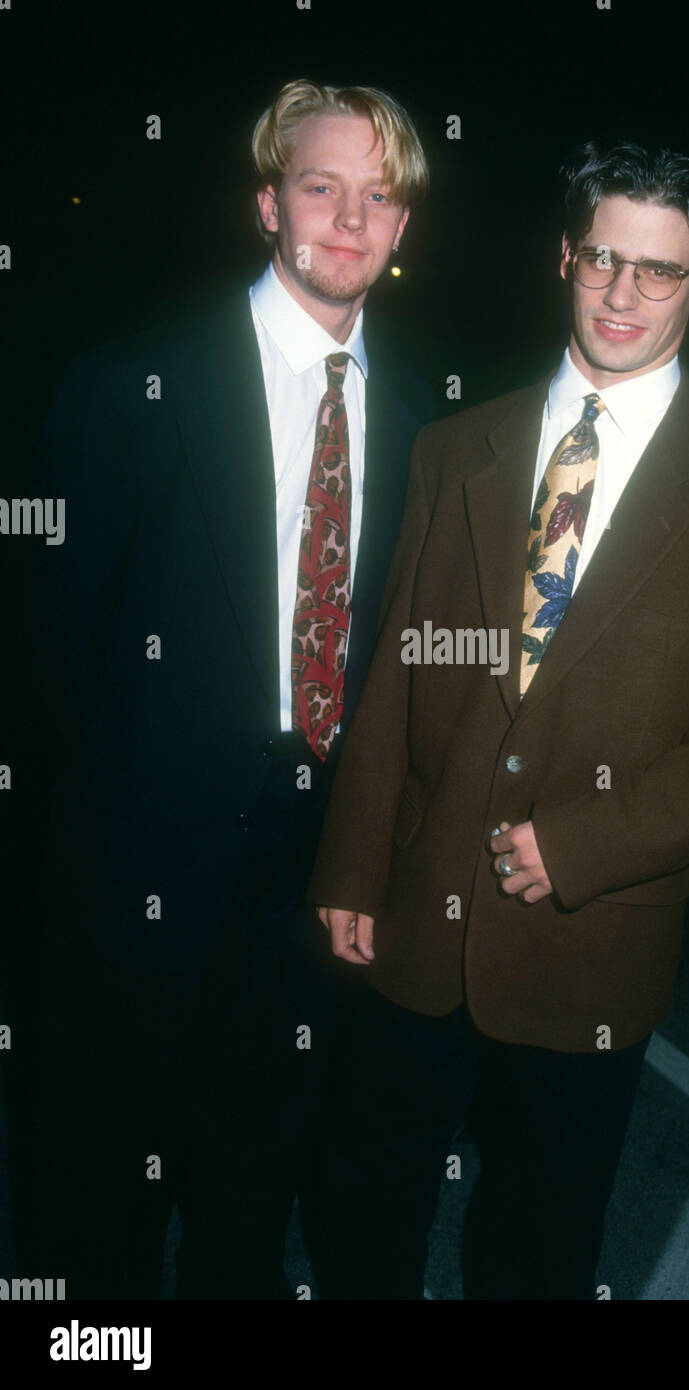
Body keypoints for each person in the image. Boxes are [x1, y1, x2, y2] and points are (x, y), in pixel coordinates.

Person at [308, 139, 689, 1300]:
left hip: (592, 937)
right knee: (366, 1197)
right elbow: (394, 672)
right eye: (602, 258)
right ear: (565, 256)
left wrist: (585, 845)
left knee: (542, 1237)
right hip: (415, 909)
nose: (621, 294)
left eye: (658, 270)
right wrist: (351, 866)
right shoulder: (457, 446)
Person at [22, 78, 432, 1299]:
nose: (351, 220)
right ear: (269, 203)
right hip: (138, 878)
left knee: (248, 1194)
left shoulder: (423, 429)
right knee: (101, 1198)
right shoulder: (128, 387)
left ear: (405, 226)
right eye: (322, 186)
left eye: (381, 196)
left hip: (315, 892)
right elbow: (51, 659)